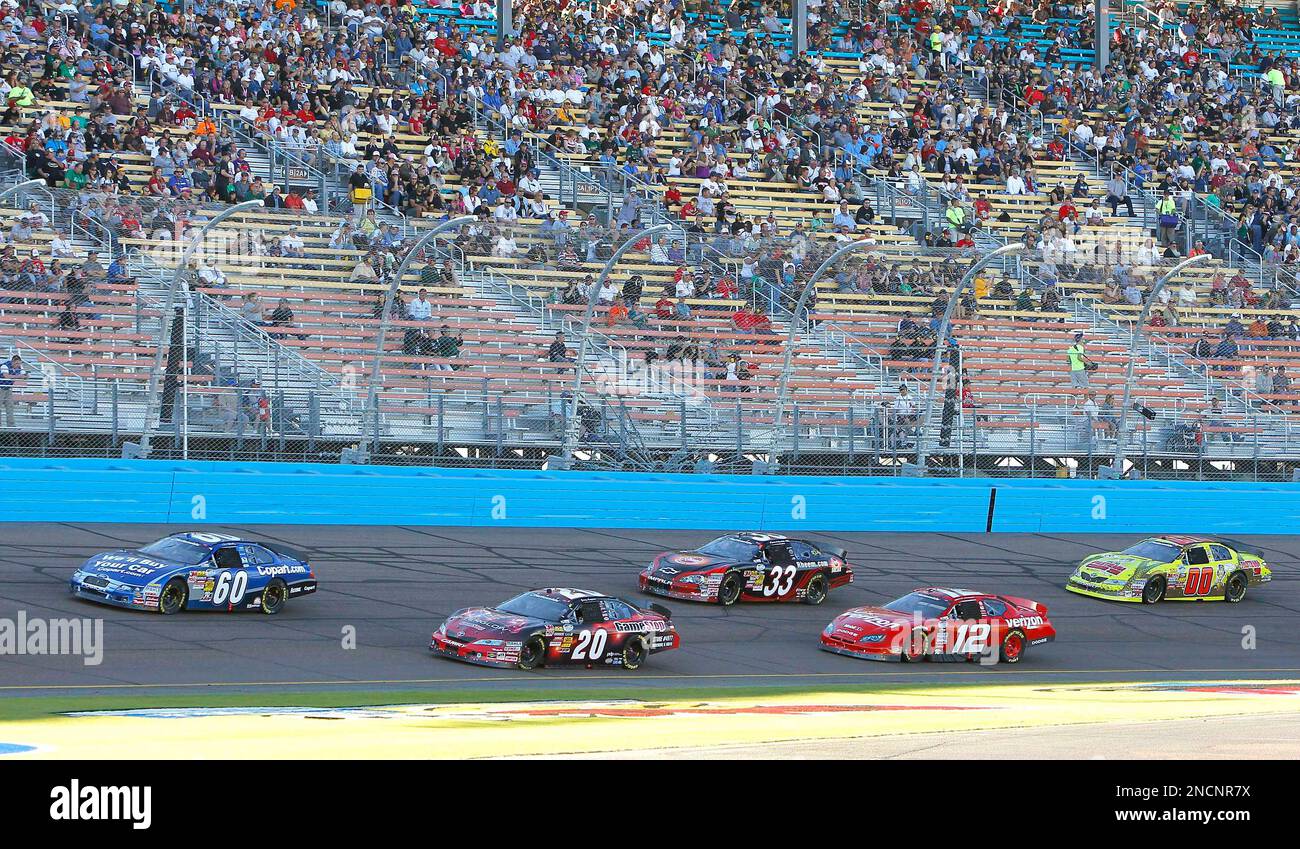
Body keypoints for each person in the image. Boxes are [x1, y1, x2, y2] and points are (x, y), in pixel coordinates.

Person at [0, 354, 26, 427]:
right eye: (16, 363)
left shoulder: (19, 367)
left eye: (19, 363)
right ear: (12, 362)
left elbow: (25, 376)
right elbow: (6, 376)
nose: (18, 365)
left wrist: (26, 375)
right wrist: (19, 376)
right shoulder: (5, 366)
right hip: (1, 387)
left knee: (10, 406)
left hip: (8, 388)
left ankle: (11, 425)